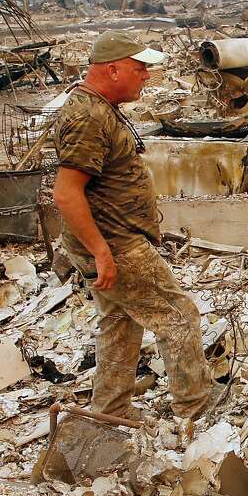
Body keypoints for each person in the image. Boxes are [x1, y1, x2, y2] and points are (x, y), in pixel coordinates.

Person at [52, 31, 217, 436]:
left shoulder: (99, 108)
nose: (146, 75)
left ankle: (110, 410)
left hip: (114, 240)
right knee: (178, 317)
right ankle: (195, 409)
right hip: (116, 244)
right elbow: (66, 193)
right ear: (112, 69)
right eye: (139, 68)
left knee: (121, 323)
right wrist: (101, 252)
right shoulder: (88, 117)